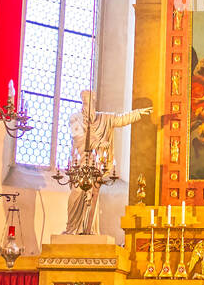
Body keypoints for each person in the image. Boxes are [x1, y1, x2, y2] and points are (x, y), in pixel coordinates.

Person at [62, 91, 151, 235]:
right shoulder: (74, 118)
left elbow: (120, 119)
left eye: (90, 100)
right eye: (85, 101)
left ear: (94, 101)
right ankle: (72, 228)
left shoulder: (104, 118)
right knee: (76, 193)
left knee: (92, 196)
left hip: (95, 166)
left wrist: (137, 113)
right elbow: (78, 137)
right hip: (80, 164)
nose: (87, 103)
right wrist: (98, 143)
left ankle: (88, 230)